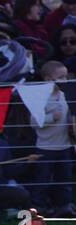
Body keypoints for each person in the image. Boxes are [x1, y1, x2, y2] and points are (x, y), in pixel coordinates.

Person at [28, 59, 75, 215]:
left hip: (65, 144)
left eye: (66, 77)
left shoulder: (65, 94)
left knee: (65, 179)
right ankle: (39, 206)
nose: (65, 80)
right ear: (48, 79)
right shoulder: (39, 97)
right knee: (42, 179)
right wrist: (50, 118)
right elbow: (33, 122)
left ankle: (64, 205)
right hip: (45, 146)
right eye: (61, 77)